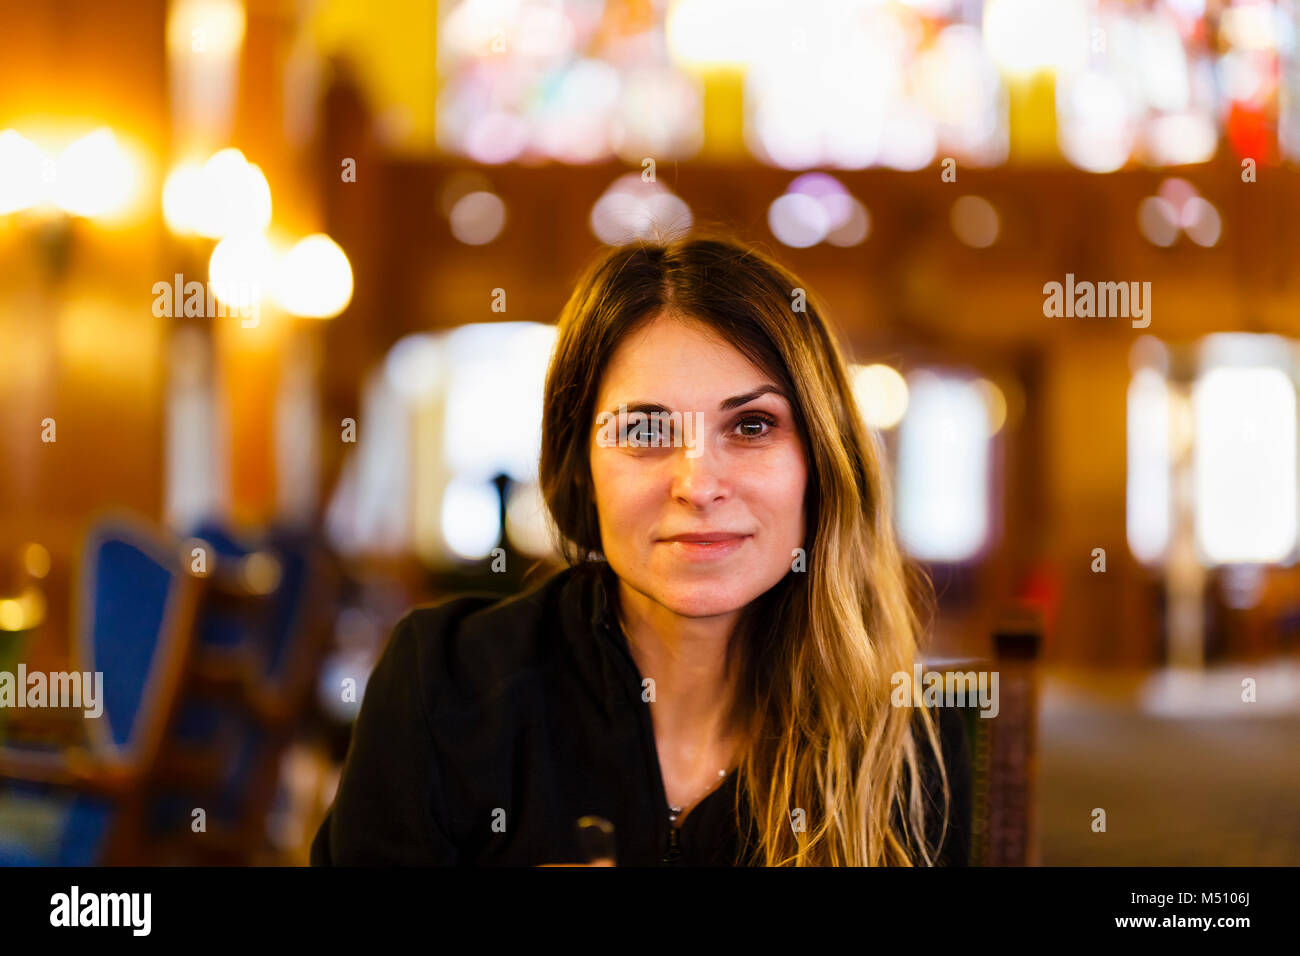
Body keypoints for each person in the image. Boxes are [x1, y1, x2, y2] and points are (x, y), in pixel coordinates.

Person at [311, 233, 971, 866]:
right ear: (580, 465)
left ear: (822, 464)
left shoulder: (917, 751)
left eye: (751, 425)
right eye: (646, 428)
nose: (698, 484)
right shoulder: (441, 685)